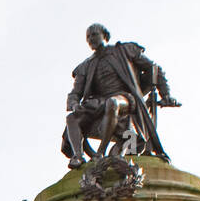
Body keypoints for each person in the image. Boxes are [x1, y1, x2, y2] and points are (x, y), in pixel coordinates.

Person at [62, 23, 179, 168]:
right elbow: (75, 93)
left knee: (113, 103)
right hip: (99, 101)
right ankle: (78, 157)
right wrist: (74, 104)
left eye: (94, 34)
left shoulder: (124, 50)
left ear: (105, 36)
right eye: (88, 37)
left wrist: (166, 94)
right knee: (72, 118)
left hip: (126, 98)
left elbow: (154, 69)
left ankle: (100, 152)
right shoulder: (85, 66)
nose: (90, 39)